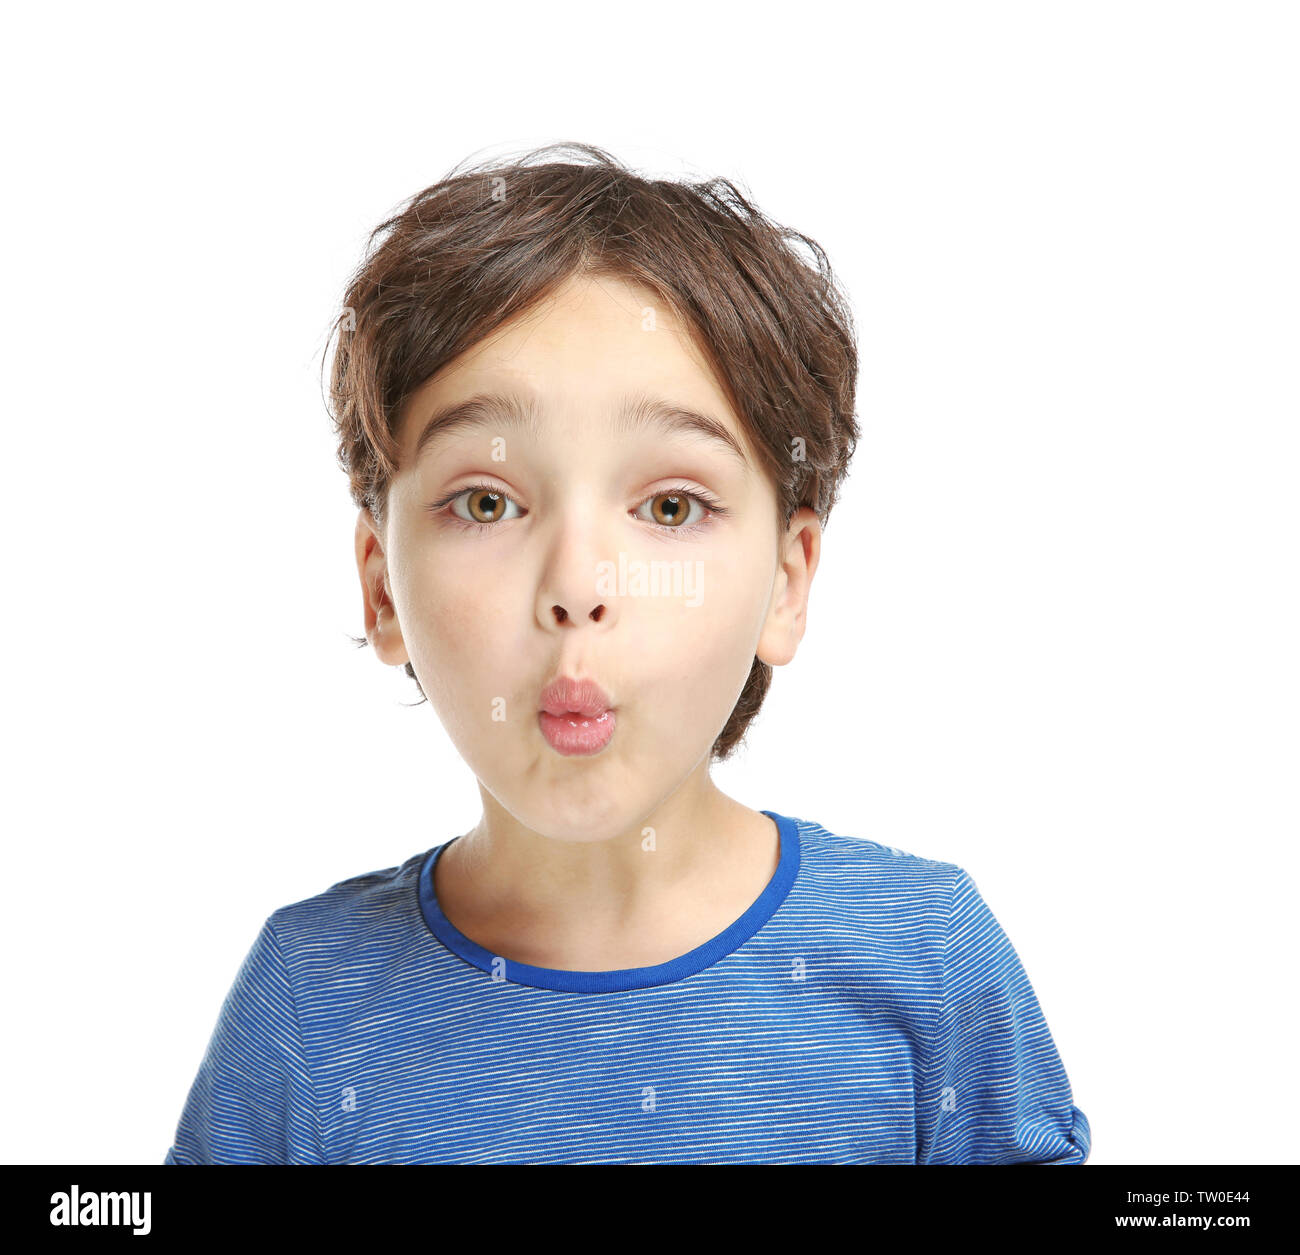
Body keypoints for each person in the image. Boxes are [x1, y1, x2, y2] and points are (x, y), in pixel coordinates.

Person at [163, 142, 1090, 1165]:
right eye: (487, 502)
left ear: (786, 582)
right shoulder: (306, 1001)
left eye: (668, 505)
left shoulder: (927, 961)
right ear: (383, 586)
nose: (578, 586)